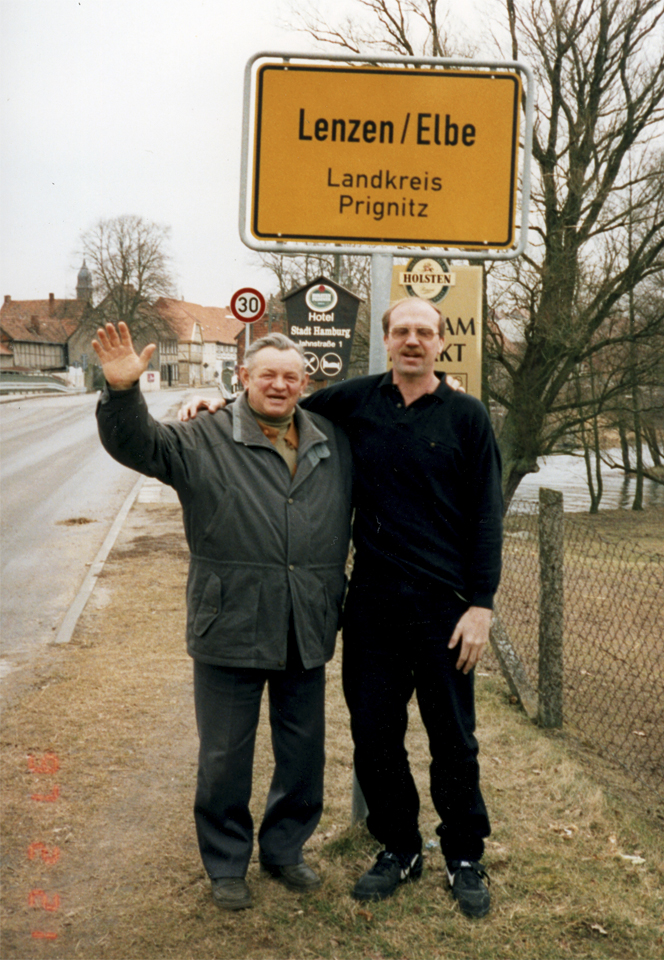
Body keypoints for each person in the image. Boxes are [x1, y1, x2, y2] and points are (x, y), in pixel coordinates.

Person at [184, 297, 504, 918]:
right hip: (372, 607)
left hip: (444, 610)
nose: (413, 341)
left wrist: (481, 605)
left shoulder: (467, 416)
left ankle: (464, 854)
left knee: (453, 739)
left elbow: (487, 515)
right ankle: (399, 847)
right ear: (387, 340)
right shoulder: (354, 401)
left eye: (425, 332)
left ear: (441, 343)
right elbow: (276, 403)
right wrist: (214, 404)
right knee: (375, 738)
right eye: (402, 331)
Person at [93, 323, 352, 912]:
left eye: (291, 377)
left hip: (306, 621)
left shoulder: (333, 440)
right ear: (243, 378)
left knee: (304, 751)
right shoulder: (202, 436)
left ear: (305, 383)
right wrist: (123, 392)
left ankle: (285, 849)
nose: (279, 385)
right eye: (268, 375)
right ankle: (227, 862)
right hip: (229, 620)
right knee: (225, 756)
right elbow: (138, 444)